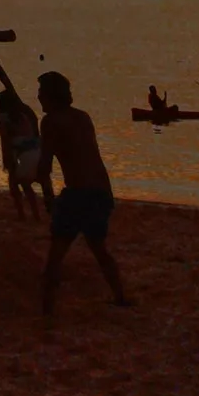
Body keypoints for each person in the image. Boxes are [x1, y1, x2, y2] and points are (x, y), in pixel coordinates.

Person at [35, 70, 129, 316]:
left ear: (50, 95)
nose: (38, 97)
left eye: (41, 93)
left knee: (56, 255)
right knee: (99, 248)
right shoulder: (83, 117)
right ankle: (120, 296)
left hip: (79, 194)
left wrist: (44, 194)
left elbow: (45, 167)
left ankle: (46, 310)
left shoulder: (51, 122)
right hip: (101, 191)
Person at [0, 85, 43, 219]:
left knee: (16, 184)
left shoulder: (4, 118)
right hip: (33, 152)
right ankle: (35, 213)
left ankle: (22, 213)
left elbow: (6, 138)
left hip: (21, 154)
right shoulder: (23, 115)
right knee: (25, 185)